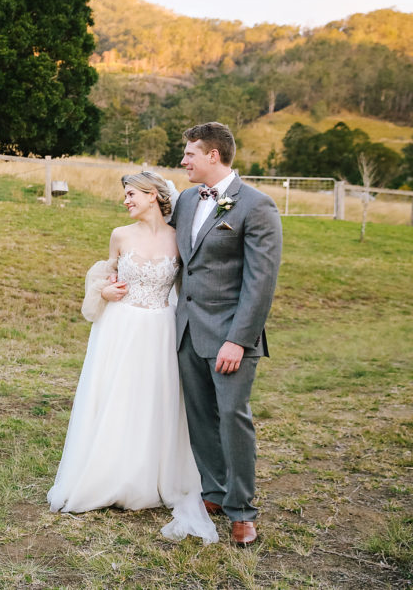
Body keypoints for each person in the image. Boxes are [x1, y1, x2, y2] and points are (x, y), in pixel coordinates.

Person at [47, 171, 218, 544]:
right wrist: (104, 291)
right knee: (117, 397)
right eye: (124, 195)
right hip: (120, 328)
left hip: (160, 329)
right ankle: (109, 474)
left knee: (156, 401)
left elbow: (187, 287)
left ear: (153, 195)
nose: (125, 200)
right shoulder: (120, 236)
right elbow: (102, 277)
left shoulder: (180, 239)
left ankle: (151, 475)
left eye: (131, 194)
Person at [172, 122, 282, 546]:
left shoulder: (257, 206)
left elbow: (261, 282)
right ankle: (214, 493)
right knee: (200, 419)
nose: (184, 161)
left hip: (231, 337)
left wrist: (239, 339)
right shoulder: (185, 200)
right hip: (187, 333)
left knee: (234, 422)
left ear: (213, 156)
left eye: (190, 154)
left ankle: (242, 511)